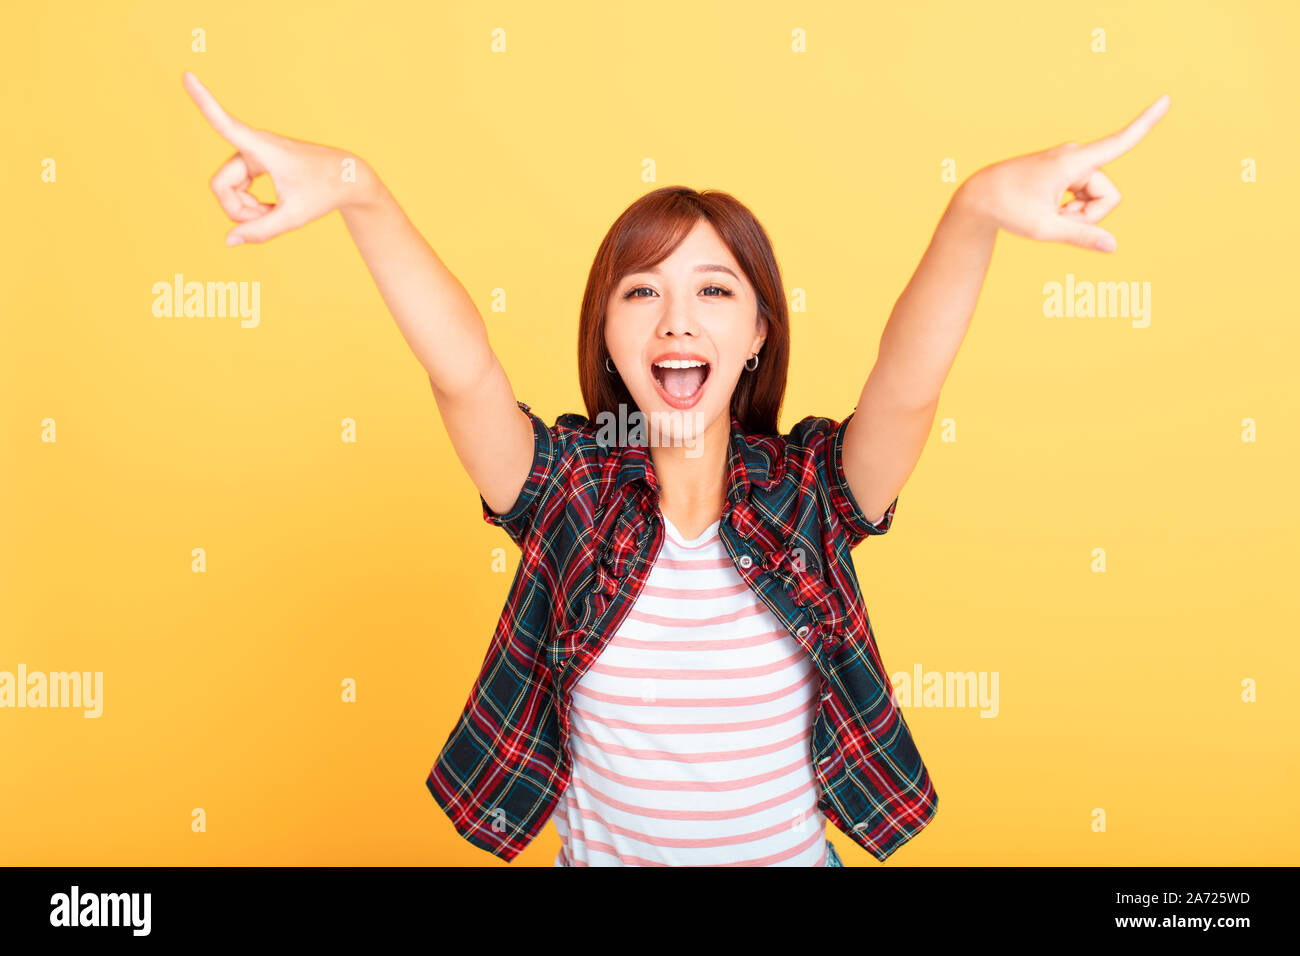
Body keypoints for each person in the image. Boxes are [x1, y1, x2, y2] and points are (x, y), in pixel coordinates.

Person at [182, 73, 1169, 865]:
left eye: (712, 289)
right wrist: (356, 185)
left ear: (755, 334)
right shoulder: (570, 484)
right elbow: (461, 369)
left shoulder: (812, 493)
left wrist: (976, 208)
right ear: (609, 340)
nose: (676, 319)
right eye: (640, 291)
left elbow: (907, 384)